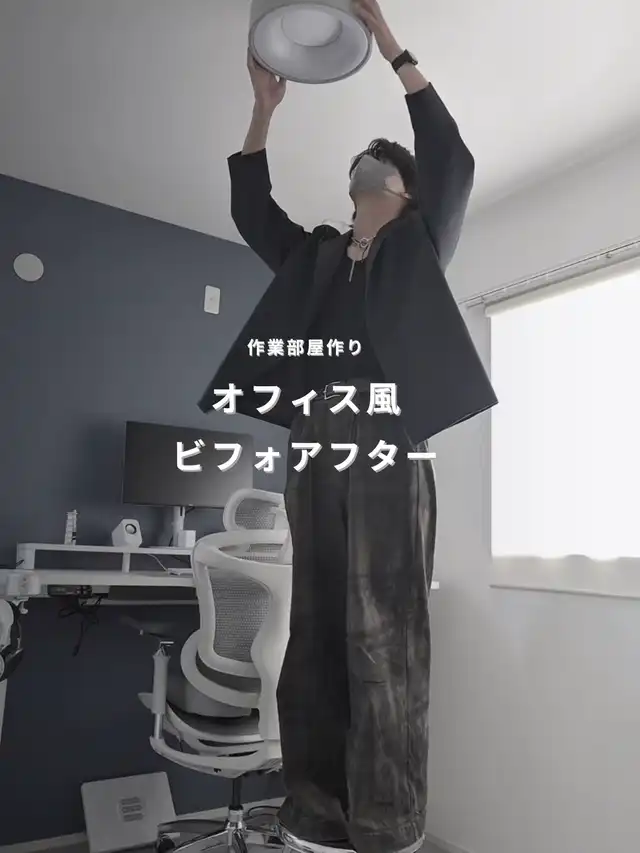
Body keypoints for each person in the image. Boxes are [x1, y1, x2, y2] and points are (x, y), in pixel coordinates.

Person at [198, 2, 498, 851]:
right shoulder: (319, 256)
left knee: (382, 631)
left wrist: (390, 43)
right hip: (315, 448)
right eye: (358, 173)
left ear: (405, 196)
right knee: (317, 633)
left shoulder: (420, 247)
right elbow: (251, 211)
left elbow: (454, 157)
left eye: (380, 174)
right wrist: (263, 110)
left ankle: (386, 818)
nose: (364, 181)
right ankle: (316, 808)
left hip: (388, 447)